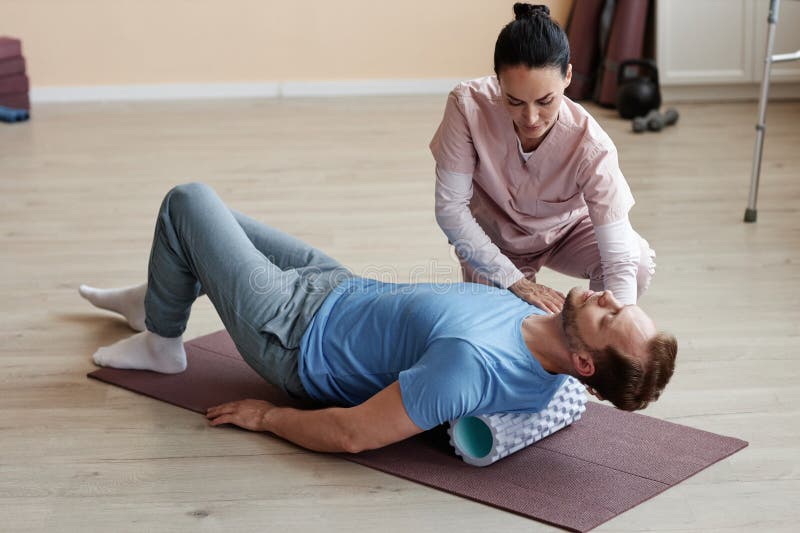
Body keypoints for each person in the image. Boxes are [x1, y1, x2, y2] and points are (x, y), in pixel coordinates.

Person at [80, 183, 677, 454]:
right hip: (336, 285)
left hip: (292, 332)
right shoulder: (547, 313)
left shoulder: (471, 367)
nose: (604, 296)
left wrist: (268, 418)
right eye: (618, 303)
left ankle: (163, 340)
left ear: (582, 361)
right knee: (213, 227)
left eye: (608, 316)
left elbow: (354, 434)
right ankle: (153, 303)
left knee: (189, 202)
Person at [431, 3, 655, 314]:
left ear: (568, 77)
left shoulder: (592, 146)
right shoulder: (467, 106)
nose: (531, 117)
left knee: (637, 262)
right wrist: (515, 280)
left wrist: (614, 328)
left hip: (564, 234)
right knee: (500, 327)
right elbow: (450, 209)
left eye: (545, 101)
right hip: (491, 238)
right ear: (498, 81)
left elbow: (618, 259)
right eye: (515, 101)